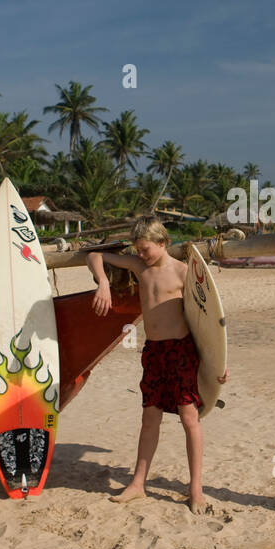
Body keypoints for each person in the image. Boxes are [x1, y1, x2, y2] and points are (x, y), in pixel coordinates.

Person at [88, 216, 227, 514]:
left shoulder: (183, 273)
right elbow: (95, 255)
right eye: (137, 250)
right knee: (149, 419)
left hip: (181, 352)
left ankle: (196, 490)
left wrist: (219, 364)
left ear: (163, 243)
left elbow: (208, 320)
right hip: (153, 353)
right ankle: (138, 484)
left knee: (190, 419)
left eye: (145, 249)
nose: (140, 255)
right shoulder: (140, 268)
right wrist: (103, 283)